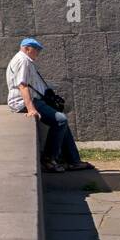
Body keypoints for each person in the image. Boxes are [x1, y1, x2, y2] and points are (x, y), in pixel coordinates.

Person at [6, 37, 93, 173]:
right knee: (61, 120)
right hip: (24, 102)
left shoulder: (24, 60)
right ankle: (48, 160)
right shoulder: (23, 60)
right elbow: (22, 85)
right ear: (27, 48)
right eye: (36, 50)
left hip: (34, 100)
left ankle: (73, 161)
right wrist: (31, 109)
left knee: (62, 121)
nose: (38, 53)